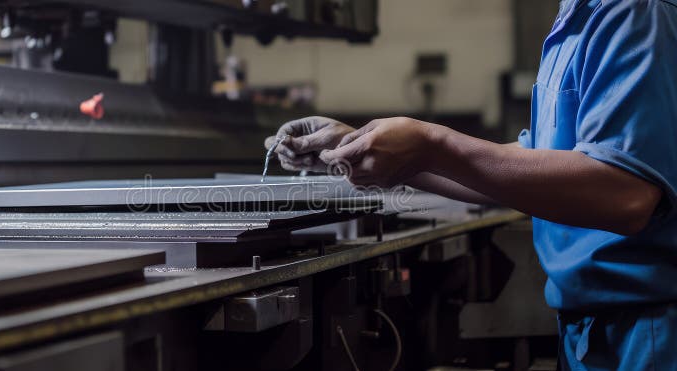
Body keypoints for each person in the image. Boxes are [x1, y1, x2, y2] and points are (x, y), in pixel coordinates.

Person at [264, 0, 677, 369]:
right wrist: (357, 144)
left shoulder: (634, 11)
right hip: (593, 331)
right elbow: (526, 170)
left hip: (648, 333)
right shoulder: (576, 18)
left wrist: (434, 143)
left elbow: (627, 193)